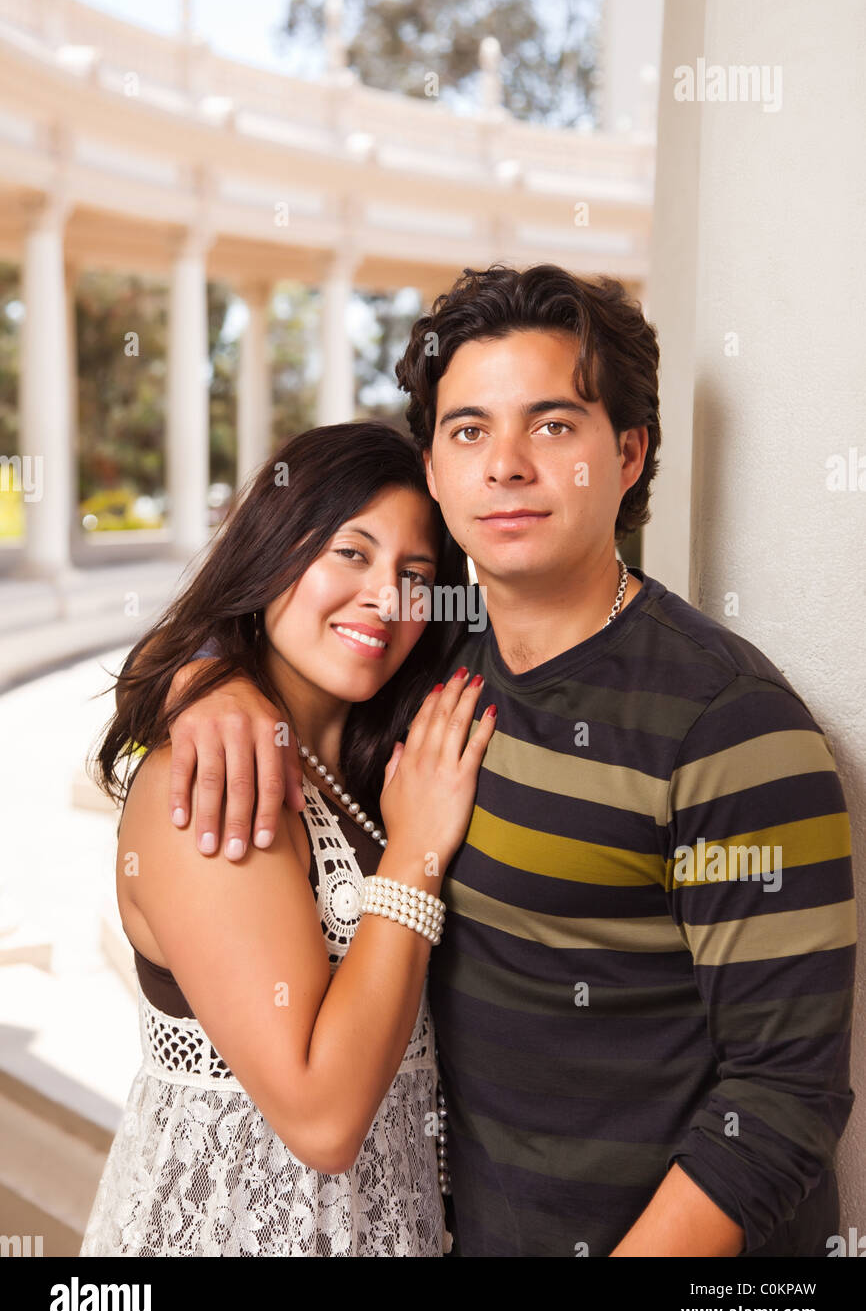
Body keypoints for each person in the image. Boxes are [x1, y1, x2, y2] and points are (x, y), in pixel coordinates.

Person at [159, 264, 856, 1258]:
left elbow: (784, 1096)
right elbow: (278, 620)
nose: (505, 466)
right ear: (435, 469)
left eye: (553, 425)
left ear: (627, 454)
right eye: (468, 430)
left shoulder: (728, 727)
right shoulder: (429, 663)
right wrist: (206, 675)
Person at [79, 421, 497, 1257]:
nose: (385, 597)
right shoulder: (209, 777)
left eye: (416, 575)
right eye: (351, 552)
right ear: (274, 546)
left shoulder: (387, 761)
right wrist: (416, 855)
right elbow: (323, 1119)